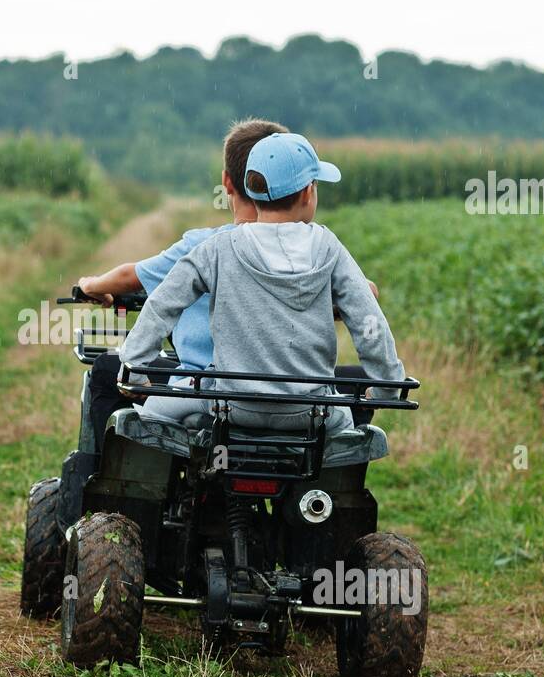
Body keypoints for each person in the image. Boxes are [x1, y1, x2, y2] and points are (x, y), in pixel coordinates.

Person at [118, 132, 405, 436]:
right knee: (348, 440)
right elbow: (368, 321)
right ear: (308, 192)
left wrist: (135, 370)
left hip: (227, 405)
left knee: (149, 421)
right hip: (313, 410)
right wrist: (385, 387)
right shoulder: (329, 249)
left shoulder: (218, 248)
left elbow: (163, 305)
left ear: (251, 191)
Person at [75, 118, 288, 447]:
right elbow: (361, 293)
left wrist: (92, 285)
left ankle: (111, 480)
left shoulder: (205, 246)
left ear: (226, 183)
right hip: (290, 395)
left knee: (105, 370)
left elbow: (130, 277)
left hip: (205, 384)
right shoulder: (308, 250)